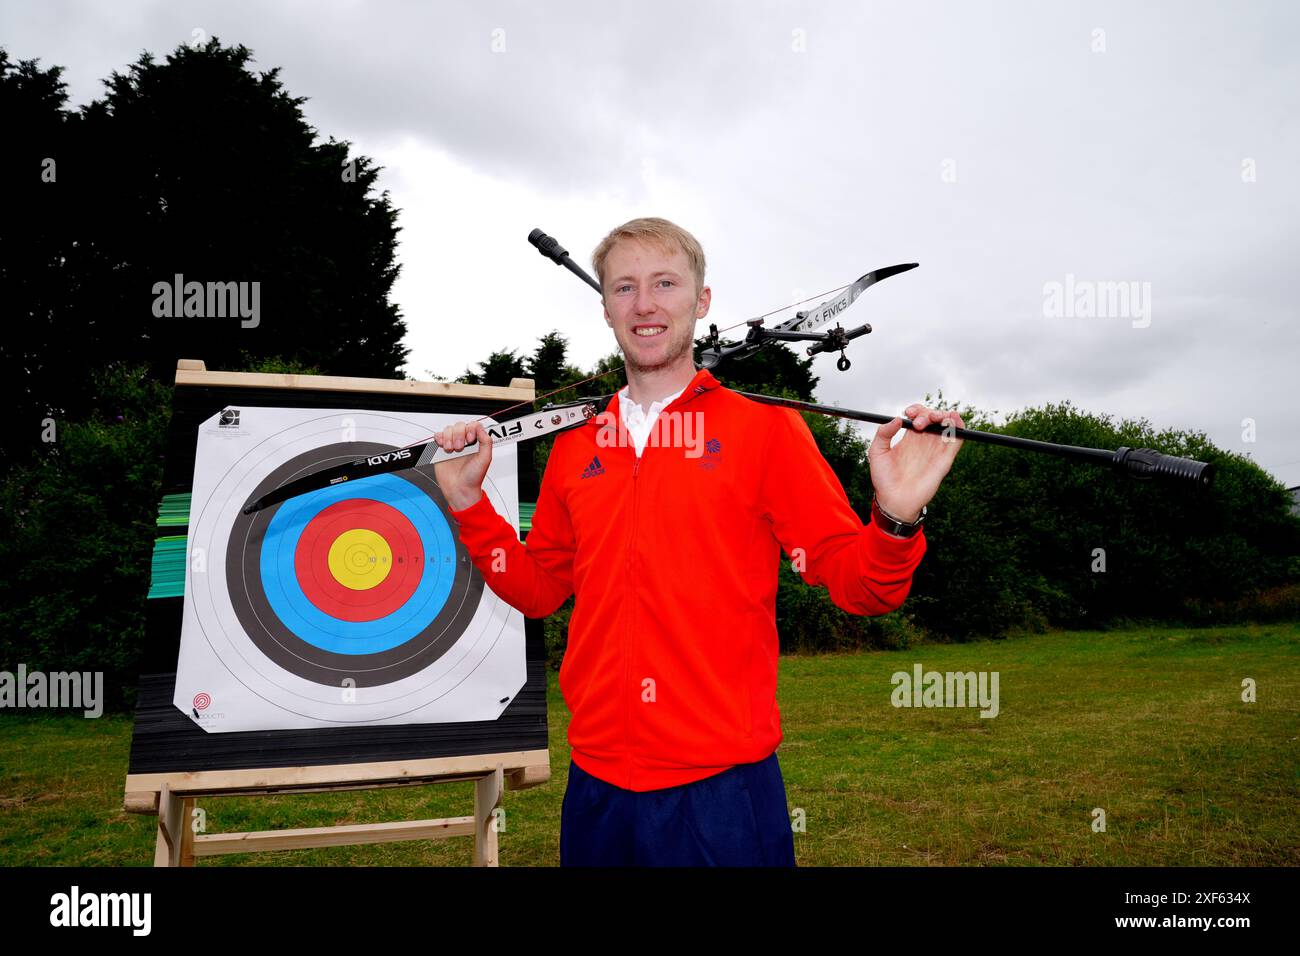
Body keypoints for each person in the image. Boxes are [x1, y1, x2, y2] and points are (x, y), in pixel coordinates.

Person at [433, 217, 964, 866]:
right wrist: (469, 507)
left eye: (665, 283)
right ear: (604, 308)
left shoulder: (765, 431)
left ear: (701, 301)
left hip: (723, 796)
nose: (645, 304)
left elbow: (861, 587)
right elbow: (541, 590)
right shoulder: (578, 446)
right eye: (624, 287)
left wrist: (895, 518)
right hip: (598, 789)